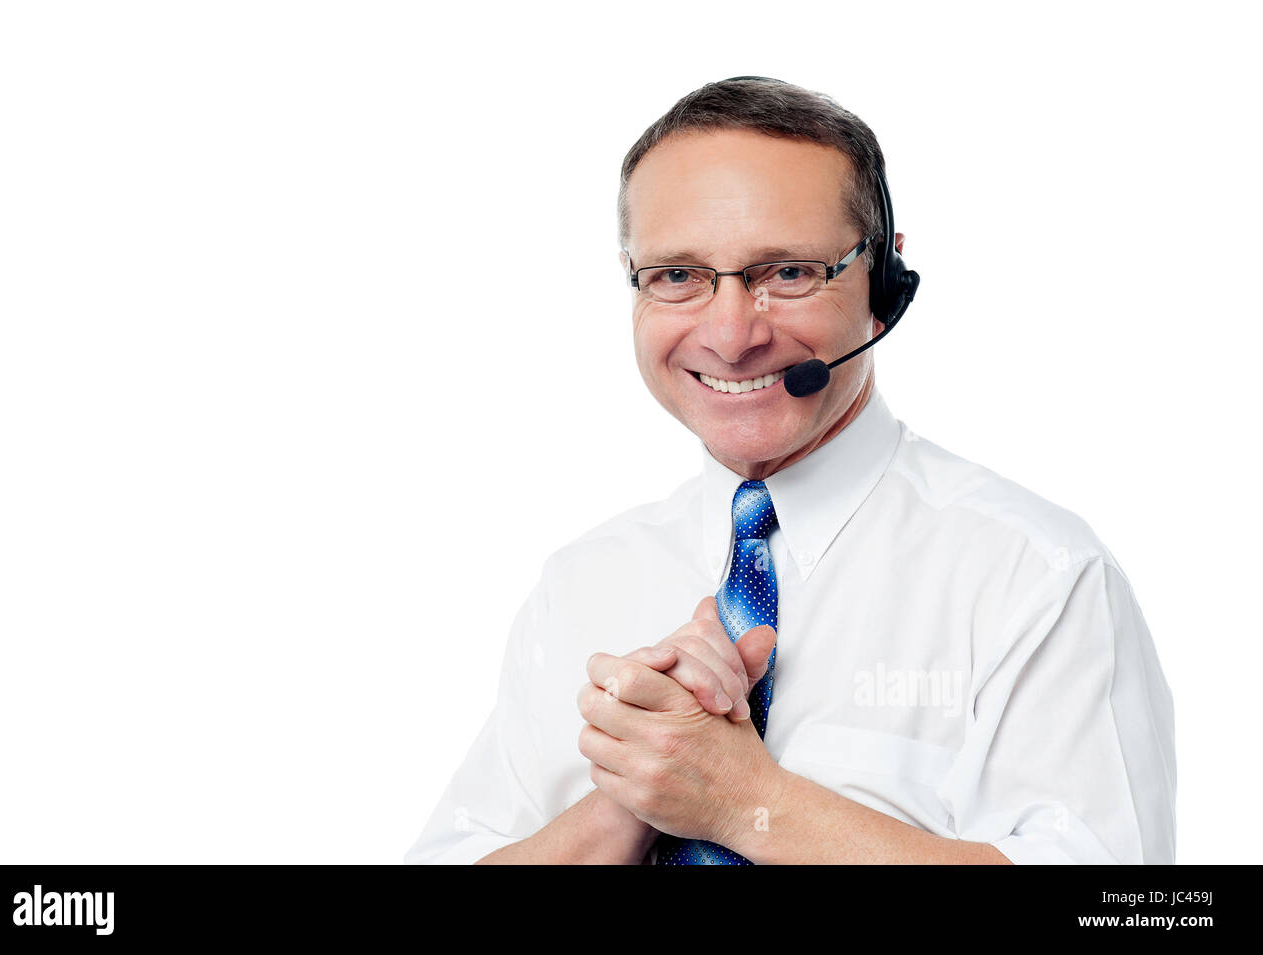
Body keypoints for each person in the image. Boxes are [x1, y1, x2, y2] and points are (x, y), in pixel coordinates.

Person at [404, 77, 1176, 865]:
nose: (732, 335)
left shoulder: (1036, 578)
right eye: (677, 275)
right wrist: (628, 798)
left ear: (884, 286)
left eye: (787, 273)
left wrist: (748, 802)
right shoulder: (577, 585)